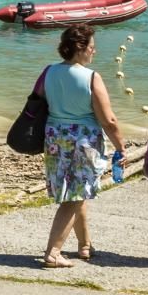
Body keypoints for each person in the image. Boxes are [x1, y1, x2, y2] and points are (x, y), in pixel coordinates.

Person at [41, 23, 126, 266]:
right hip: (82, 140)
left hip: (54, 137)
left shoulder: (49, 71)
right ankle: (53, 253)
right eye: (92, 47)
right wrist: (120, 147)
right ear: (80, 48)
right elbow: (108, 120)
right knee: (74, 197)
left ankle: (84, 245)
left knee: (76, 193)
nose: (94, 52)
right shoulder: (91, 77)